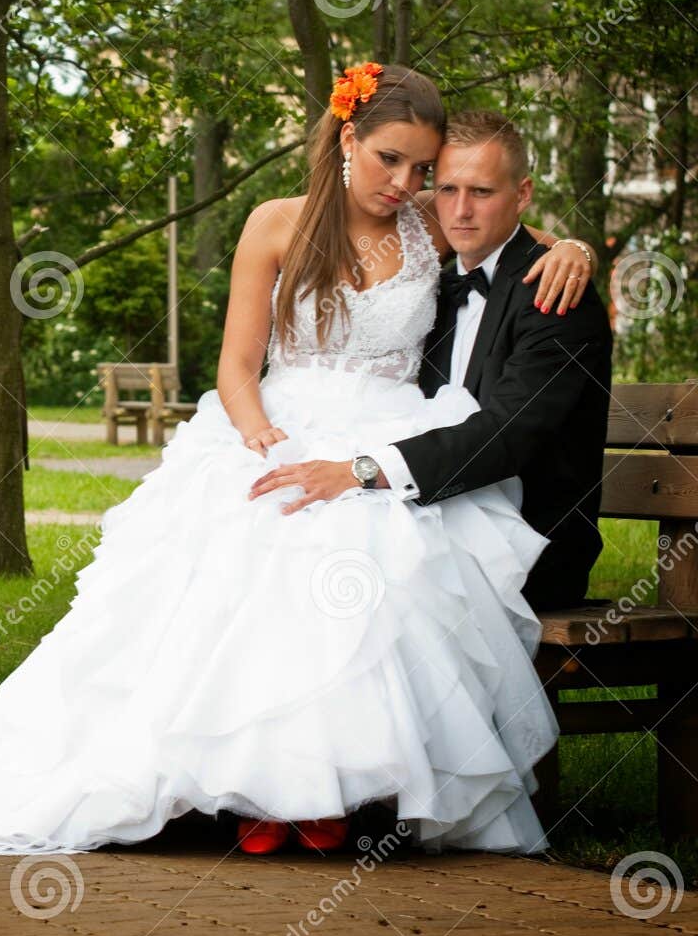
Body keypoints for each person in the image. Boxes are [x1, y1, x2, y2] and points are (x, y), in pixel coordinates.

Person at [0, 64, 598, 858]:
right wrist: (262, 436)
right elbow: (235, 364)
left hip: (385, 433)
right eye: (391, 159)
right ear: (348, 137)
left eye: (421, 168)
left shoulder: (426, 221)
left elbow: (492, 212)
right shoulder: (277, 223)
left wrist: (574, 244)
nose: (409, 182)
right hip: (275, 426)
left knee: (365, 565)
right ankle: (236, 787)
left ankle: (317, 791)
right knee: (252, 547)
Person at [249, 110, 612, 613]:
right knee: (292, 555)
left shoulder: (555, 296)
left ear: (523, 194)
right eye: (446, 190)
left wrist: (361, 472)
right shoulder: (435, 287)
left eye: (481, 193)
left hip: (524, 543)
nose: (460, 211)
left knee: (361, 579)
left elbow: (507, 434)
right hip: (440, 506)